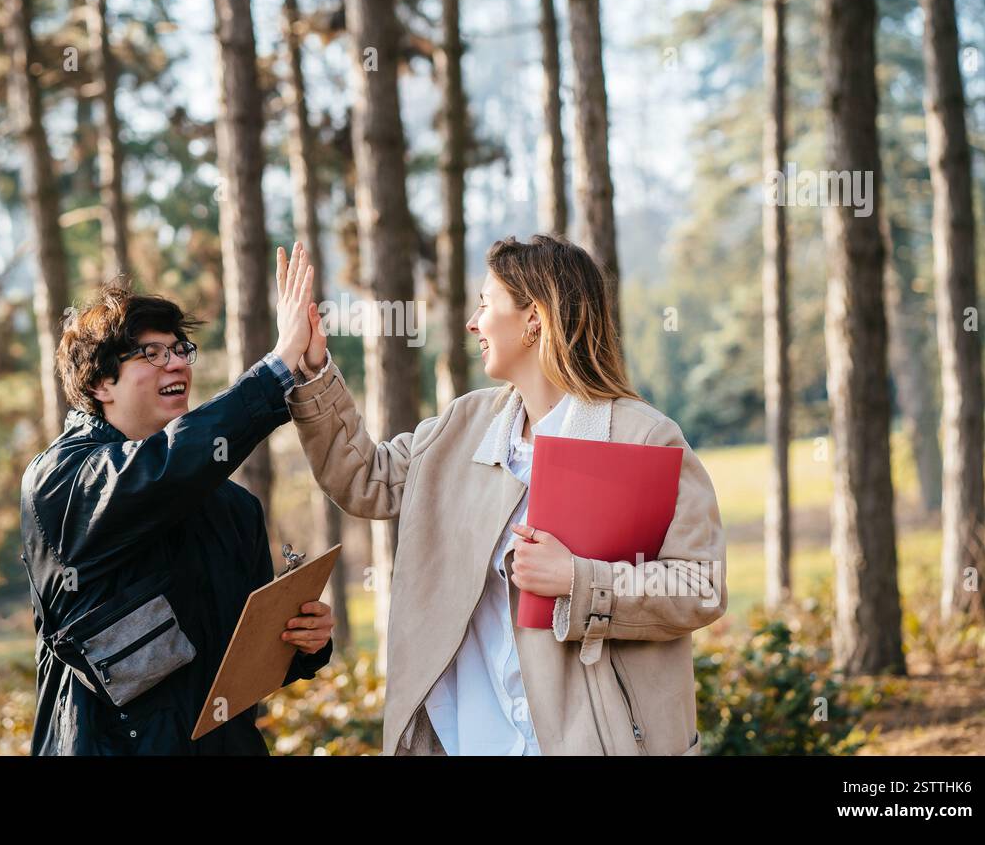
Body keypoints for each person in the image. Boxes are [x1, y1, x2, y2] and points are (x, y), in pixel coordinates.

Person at [284, 233, 726, 755]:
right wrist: (313, 371)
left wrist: (579, 581)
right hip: (466, 738)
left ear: (534, 316)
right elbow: (367, 479)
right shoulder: (463, 426)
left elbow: (701, 584)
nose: (473, 323)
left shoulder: (643, 437)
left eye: (486, 304)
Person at [20, 254, 333, 755]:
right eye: (151, 353)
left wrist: (304, 642)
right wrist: (277, 368)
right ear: (101, 384)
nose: (178, 363)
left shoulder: (234, 507)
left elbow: (244, 657)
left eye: (180, 349)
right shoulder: (60, 480)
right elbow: (162, 471)